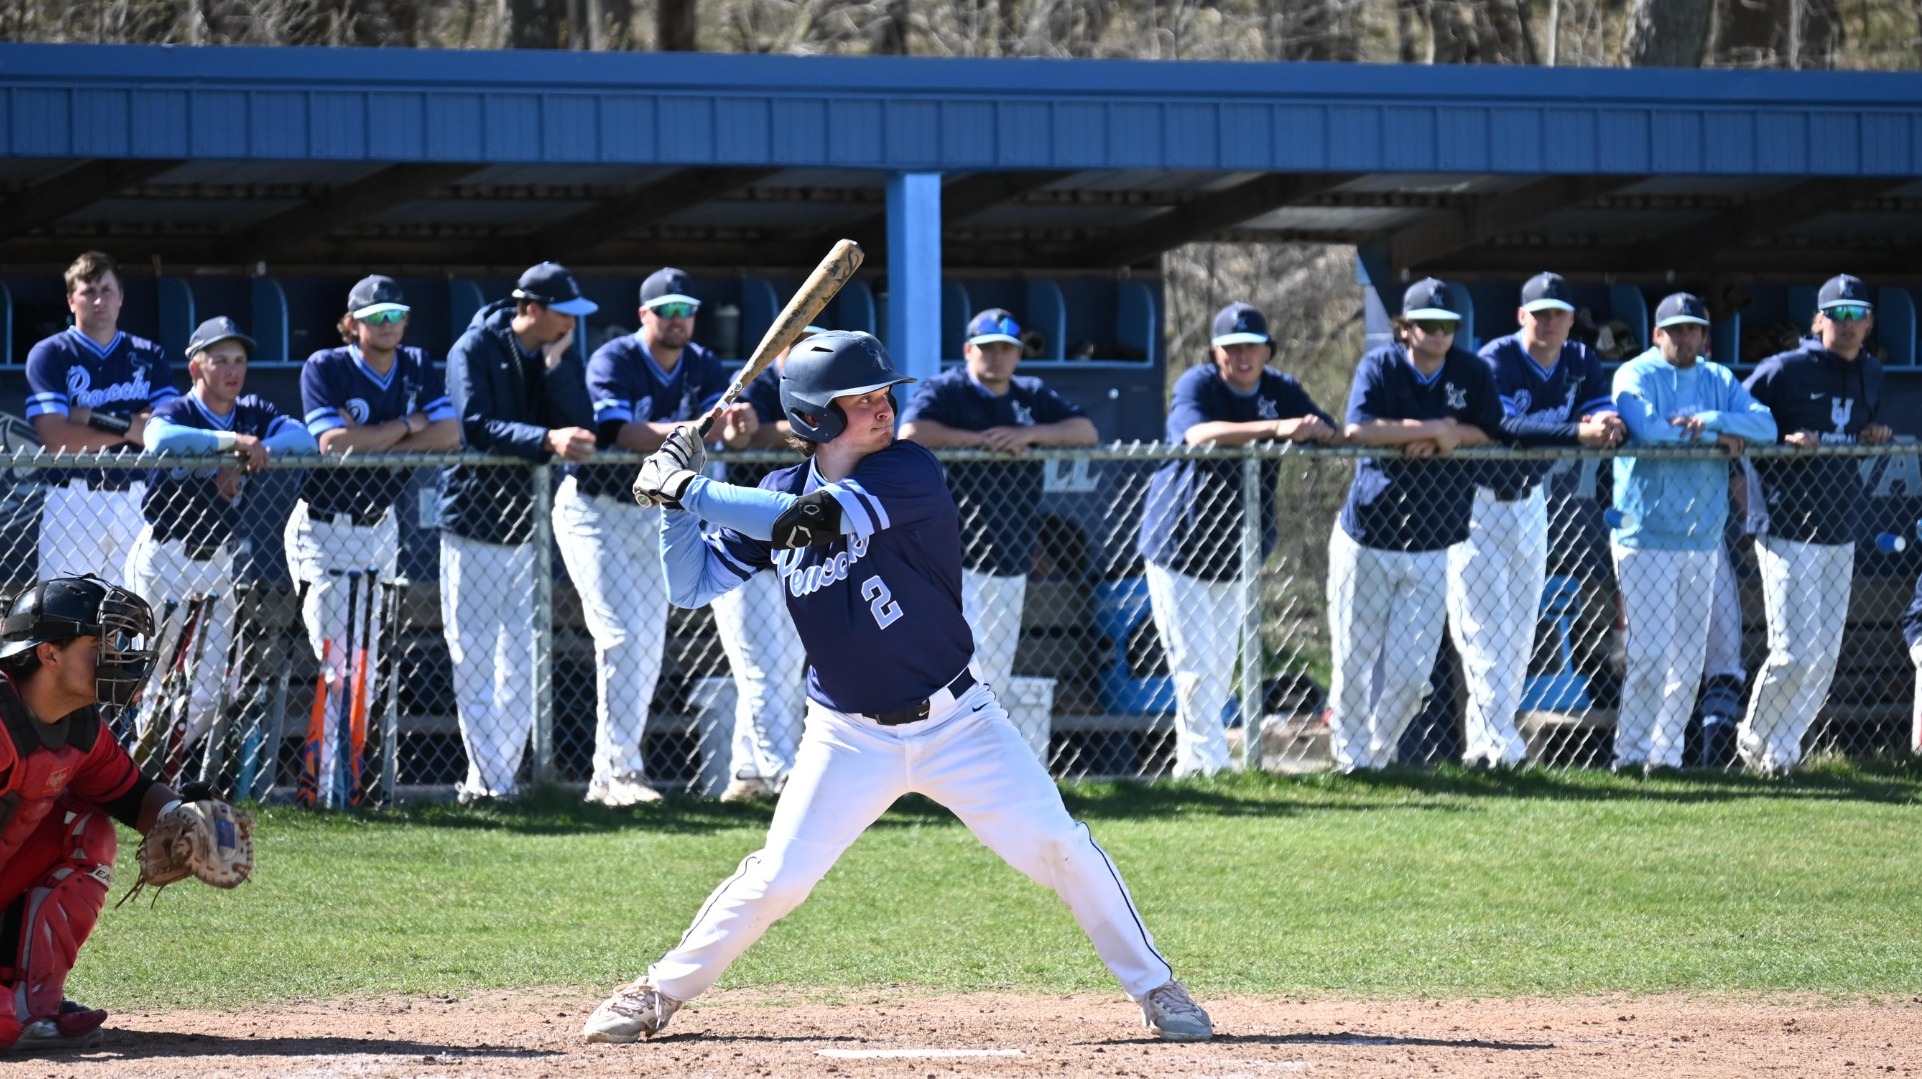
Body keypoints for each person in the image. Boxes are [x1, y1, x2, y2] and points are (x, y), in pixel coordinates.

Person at [586, 331, 1212, 1044]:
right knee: (779, 877)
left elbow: (810, 523)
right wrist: (672, 505)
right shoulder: (776, 490)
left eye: (884, 394)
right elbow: (690, 584)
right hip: (846, 734)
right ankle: (657, 991)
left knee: (1060, 844)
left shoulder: (907, 469)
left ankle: (1156, 985)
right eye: (862, 399)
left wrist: (686, 487)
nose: (884, 408)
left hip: (959, 722)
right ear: (815, 415)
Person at [1329, 279, 1567, 772]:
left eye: (1447, 325)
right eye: (1428, 325)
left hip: (1435, 538)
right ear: (1406, 328)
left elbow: (1494, 430)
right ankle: (1351, 760)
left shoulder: (1470, 370)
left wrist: (1451, 435)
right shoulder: (1381, 365)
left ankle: (1376, 752)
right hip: (1368, 534)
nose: (1439, 334)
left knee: (1413, 676)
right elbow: (1358, 428)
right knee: (1355, 656)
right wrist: (1432, 430)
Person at [554, 267, 759, 807]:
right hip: (597, 510)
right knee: (622, 635)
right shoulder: (615, 358)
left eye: (685, 310)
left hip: (656, 515)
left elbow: (723, 434)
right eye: (666, 310)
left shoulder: (703, 362)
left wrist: (736, 431)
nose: (677, 319)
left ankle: (620, 772)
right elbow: (621, 433)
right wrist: (698, 428)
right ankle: (613, 773)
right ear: (644, 314)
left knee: (646, 642)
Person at [1136, 302, 1337, 776]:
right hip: (1179, 545)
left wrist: (1315, 430)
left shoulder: (1281, 389)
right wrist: (1276, 428)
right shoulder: (1199, 384)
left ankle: (1197, 767)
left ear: (1268, 351)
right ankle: (1209, 767)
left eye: (1252, 346)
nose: (1242, 356)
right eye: (1232, 348)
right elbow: (1198, 434)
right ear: (1215, 353)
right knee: (1195, 666)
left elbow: (1325, 428)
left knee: (1219, 666)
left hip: (1236, 551)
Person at [285, 276, 458, 802]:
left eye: (395, 315)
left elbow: (450, 433)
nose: (387, 324)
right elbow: (334, 442)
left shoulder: (417, 364)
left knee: (364, 661)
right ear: (352, 324)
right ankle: (326, 786)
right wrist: (408, 425)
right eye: (375, 316)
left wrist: (375, 439)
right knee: (337, 661)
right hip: (324, 526)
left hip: (380, 526)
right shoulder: (326, 366)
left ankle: (344, 782)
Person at [0, 575, 184, 1051]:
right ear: (49, 654)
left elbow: (133, 794)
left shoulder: (79, 728)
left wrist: (186, 818)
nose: (116, 655)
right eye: (98, 644)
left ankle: (31, 1003)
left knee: (87, 829)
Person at [1449, 272, 1625, 768]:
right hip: (1478, 504)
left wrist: (1607, 421)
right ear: (1521, 316)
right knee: (1483, 632)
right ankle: (1494, 747)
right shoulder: (1497, 358)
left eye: (1558, 315)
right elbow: (1505, 426)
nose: (1550, 323)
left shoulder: (1579, 359)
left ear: (1570, 320)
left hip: (1531, 503)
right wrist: (1579, 432)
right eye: (1540, 314)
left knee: (1519, 634)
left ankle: (1490, 746)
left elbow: (1601, 409)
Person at [125, 317, 316, 774]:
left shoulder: (252, 410)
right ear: (196, 368)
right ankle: (132, 777)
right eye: (220, 360)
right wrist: (231, 444)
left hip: (218, 559)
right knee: (149, 674)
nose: (232, 370)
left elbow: (305, 440)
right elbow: (157, 438)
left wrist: (251, 452)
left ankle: (156, 769)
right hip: (164, 554)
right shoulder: (180, 409)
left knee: (211, 689)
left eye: (239, 361)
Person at [439, 263, 600, 804]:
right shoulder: (474, 347)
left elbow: (583, 422)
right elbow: (476, 425)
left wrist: (557, 368)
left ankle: (496, 781)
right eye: (563, 312)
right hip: (473, 522)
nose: (572, 323)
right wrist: (547, 440)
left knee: (521, 662)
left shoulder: (558, 352)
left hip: (528, 526)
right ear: (530, 307)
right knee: (475, 657)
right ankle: (489, 781)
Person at [1609, 293, 1776, 773]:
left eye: (1693, 330)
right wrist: (1716, 439)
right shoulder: (1636, 373)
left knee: (1686, 661)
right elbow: (1649, 429)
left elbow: (1766, 426)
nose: (1685, 338)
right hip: (1646, 534)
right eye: (1676, 330)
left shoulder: (1717, 378)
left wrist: (1714, 420)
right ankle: (1630, 755)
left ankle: (1665, 759)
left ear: (1704, 335)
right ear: (1657, 334)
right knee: (1651, 654)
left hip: (1702, 536)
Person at [900, 307, 1098, 704]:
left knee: (994, 667)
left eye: (1006, 348)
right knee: (946, 662)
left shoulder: (1031, 393)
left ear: (1019, 354)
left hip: (1011, 549)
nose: (997, 356)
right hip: (948, 552)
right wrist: (980, 441)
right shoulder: (948, 389)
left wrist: (1029, 434)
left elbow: (1086, 431)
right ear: (967, 350)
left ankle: (979, 735)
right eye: (987, 347)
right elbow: (911, 432)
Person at [1735, 274, 1890, 774]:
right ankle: (1754, 739)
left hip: (1840, 523)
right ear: (1819, 320)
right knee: (1792, 652)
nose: (1847, 324)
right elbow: (1737, 424)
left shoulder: (1872, 372)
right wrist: (1780, 443)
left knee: (1823, 658)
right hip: (1786, 524)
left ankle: (1783, 752)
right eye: (1837, 314)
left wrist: (1873, 435)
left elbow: (1858, 430)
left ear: (1869, 322)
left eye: (1856, 314)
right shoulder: (1784, 369)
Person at [709, 326, 829, 802]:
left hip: (796, 551)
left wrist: (778, 430)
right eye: (797, 345)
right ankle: (783, 773)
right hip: (744, 551)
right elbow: (740, 436)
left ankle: (748, 774)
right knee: (761, 668)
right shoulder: (753, 386)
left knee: (784, 668)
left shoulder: (826, 390)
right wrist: (756, 432)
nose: (805, 355)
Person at [24, 251, 177, 584]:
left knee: (134, 607)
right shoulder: (50, 354)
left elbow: (164, 432)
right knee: (65, 607)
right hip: (73, 498)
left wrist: (88, 416)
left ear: (121, 296)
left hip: (138, 497)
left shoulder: (149, 354)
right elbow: (56, 438)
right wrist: (132, 425)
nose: (98, 300)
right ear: (71, 300)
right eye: (88, 291)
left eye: (106, 290)